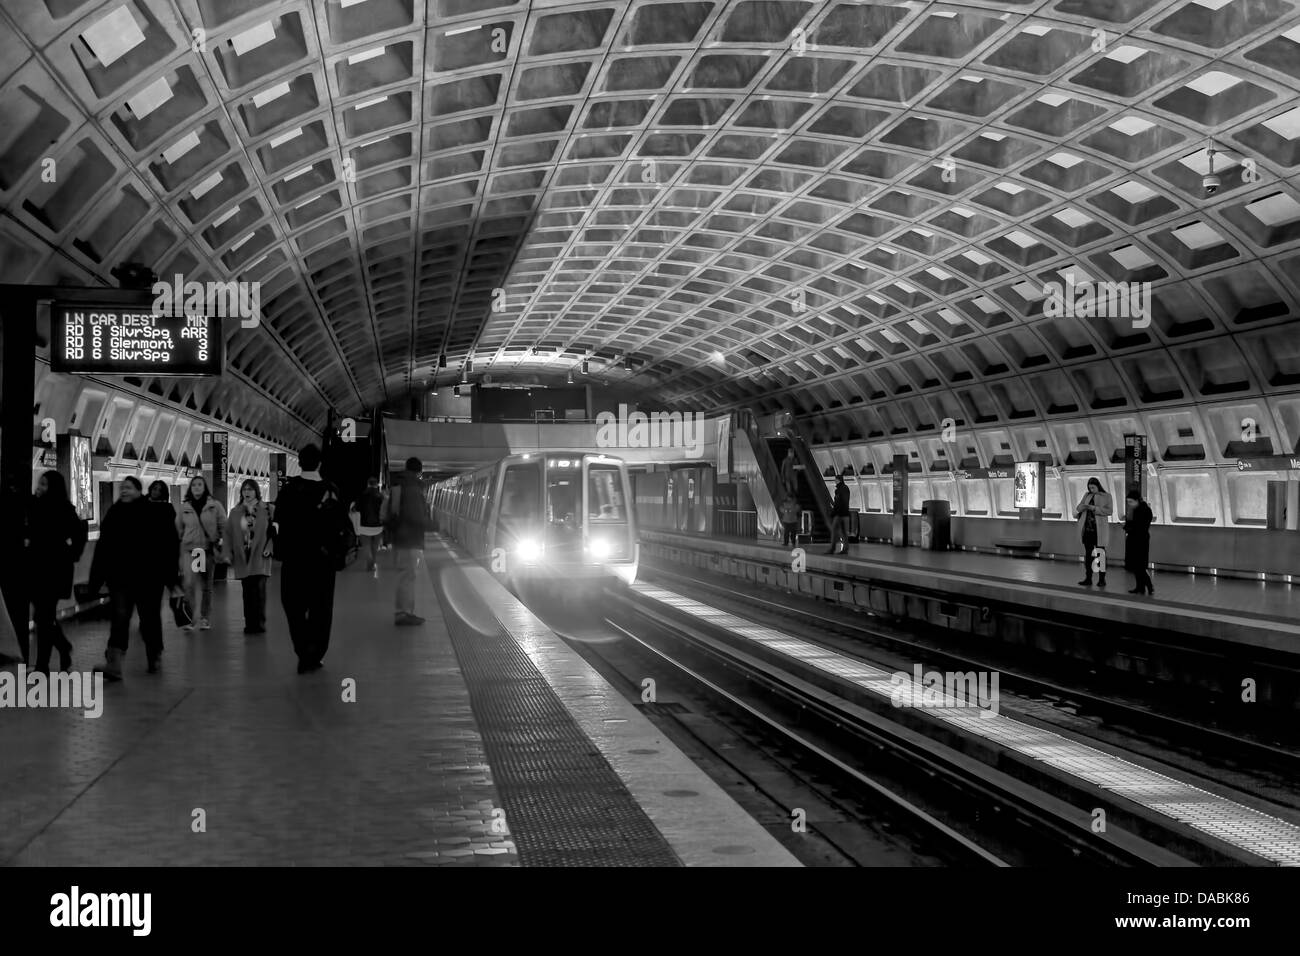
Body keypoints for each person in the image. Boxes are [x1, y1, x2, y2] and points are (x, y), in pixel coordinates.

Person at [88, 476, 180, 679]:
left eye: (129, 488)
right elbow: (103, 548)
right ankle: (114, 664)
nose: (124, 491)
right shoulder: (114, 513)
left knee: (149, 619)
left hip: (148, 579)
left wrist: (171, 579)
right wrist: (95, 580)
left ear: (139, 490)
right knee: (119, 618)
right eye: (122, 488)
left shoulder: (152, 512)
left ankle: (154, 653)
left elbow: (168, 547)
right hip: (120, 579)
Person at [273, 444, 339, 673]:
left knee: (293, 607)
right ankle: (316, 652)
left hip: (294, 561)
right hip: (322, 562)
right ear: (320, 463)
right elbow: (338, 526)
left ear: (299, 462)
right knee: (321, 609)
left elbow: (277, 523)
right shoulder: (330, 490)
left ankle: (303, 651)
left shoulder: (288, 490)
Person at [24, 471, 87, 674]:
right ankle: (62, 647)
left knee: (43, 616)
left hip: (54, 569)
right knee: (44, 616)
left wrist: (71, 553)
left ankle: (43, 665)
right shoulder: (33, 505)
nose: (39, 487)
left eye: (44, 484)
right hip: (35, 567)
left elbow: (80, 533)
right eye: (39, 483)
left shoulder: (64, 509)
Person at [176, 475, 225, 630]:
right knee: (189, 585)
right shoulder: (184, 508)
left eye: (200, 485)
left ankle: (204, 618)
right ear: (190, 488)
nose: (197, 487)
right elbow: (178, 529)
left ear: (205, 488)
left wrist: (222, 543)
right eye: (194, 485)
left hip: (207, 549)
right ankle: (191, 618)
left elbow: (223, 525)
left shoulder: (214, 506)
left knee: (206, 586)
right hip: (191, 550)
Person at [225, 479, 273, 634]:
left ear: (256, 491)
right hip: (243, 556)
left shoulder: (267, 509)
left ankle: (259, 622)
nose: (247, 492)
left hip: (261, 554)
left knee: (259, 590)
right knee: (247, 591)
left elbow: (275, 532)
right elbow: (228, 534)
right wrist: (226, 553)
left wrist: (270, 547)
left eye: (250, 489)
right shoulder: (235, 511)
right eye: (244, 489)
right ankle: (250, 623)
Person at [387, 457, 427, 626]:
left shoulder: (398, 483)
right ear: (419, 471)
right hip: (410, 538)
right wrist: (433, 524)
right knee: (408, 576)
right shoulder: (413, 487)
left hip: (400, 536)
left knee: (405, 574)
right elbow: (415, 514)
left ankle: (402, 611)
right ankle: (404, 613)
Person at [1075, 477, 1112, 588]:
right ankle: (1088, 578)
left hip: (1099, 531)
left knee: (1101, 554)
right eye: (1089, 487)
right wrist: (1083, 507)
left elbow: (1109, 511)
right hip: (1088, 530)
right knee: (1088, 555)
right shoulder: (1087, 495)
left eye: (1093, 487)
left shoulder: (1106, 496)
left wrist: (1094, 508)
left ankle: (1102, 579)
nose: (1091, 490)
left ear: (1098, 486)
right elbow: (1078, 508)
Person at [1124, 491, 1155, 596]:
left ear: (1137, 500)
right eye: (1128, 502)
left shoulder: (1144, 510)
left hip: (1140, 540)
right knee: (1136, 566)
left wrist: (1128, 527)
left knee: (1140, 566)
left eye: (1131, 501)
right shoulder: (1136, 509)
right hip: (1136, 539)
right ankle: (1140, 587)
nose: (1129, 504)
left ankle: (1149, 586)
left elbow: (1141, 526)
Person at [353, 477, 384, 575]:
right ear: (376, 485)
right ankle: (371, 565)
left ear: (368, 484)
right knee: (375, 547)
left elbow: (356, 509)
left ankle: (369, 561)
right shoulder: (381, 496)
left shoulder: (362, 495)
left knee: (366, 546)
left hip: (364, 525)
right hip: (378, 526)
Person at [827, 474, 851, 555]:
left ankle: (833, 548)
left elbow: (839, 503)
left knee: (834, 530)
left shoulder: (841, 489)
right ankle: (845, 548)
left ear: (838, 480)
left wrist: (834, 512)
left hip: (840, 514)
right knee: (843, 532)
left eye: (835, 479)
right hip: (844, 513)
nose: (835, 481)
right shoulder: (844, 488)